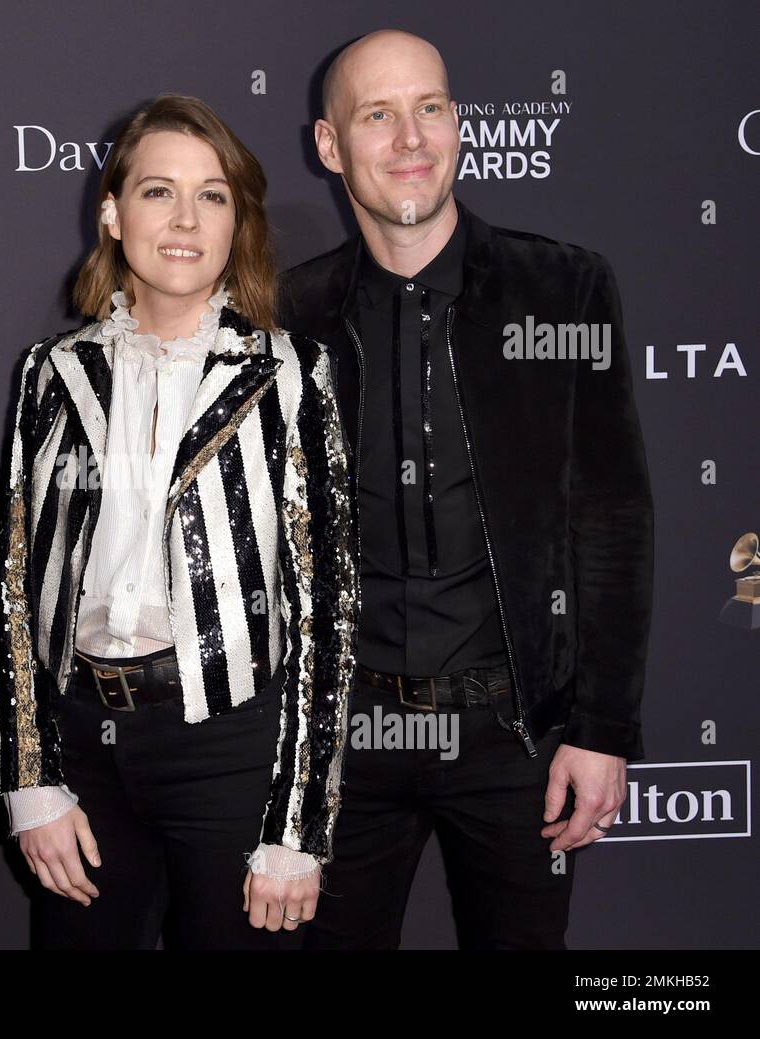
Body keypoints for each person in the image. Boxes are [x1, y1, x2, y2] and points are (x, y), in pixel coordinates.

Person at [277, 30, 654, 949]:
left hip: (515, 737)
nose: (411, 137)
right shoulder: (287, 316)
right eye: (378, 114)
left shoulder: (561, 289)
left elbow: (612, 517)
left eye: (430, 108)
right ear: (330, 147)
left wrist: (603, 727)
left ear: (457, 124)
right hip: (345, 743)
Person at [0, 94, 358, 949]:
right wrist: (29, 778)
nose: (186, 218)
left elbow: (328, 611)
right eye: (159, 192)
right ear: (114, 213)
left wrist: (297, 828)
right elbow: (13, 583)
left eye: (214, 194)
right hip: (83, 743)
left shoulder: (291, 377)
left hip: (228, 745)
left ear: (240, 222)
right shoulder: (52, 373)